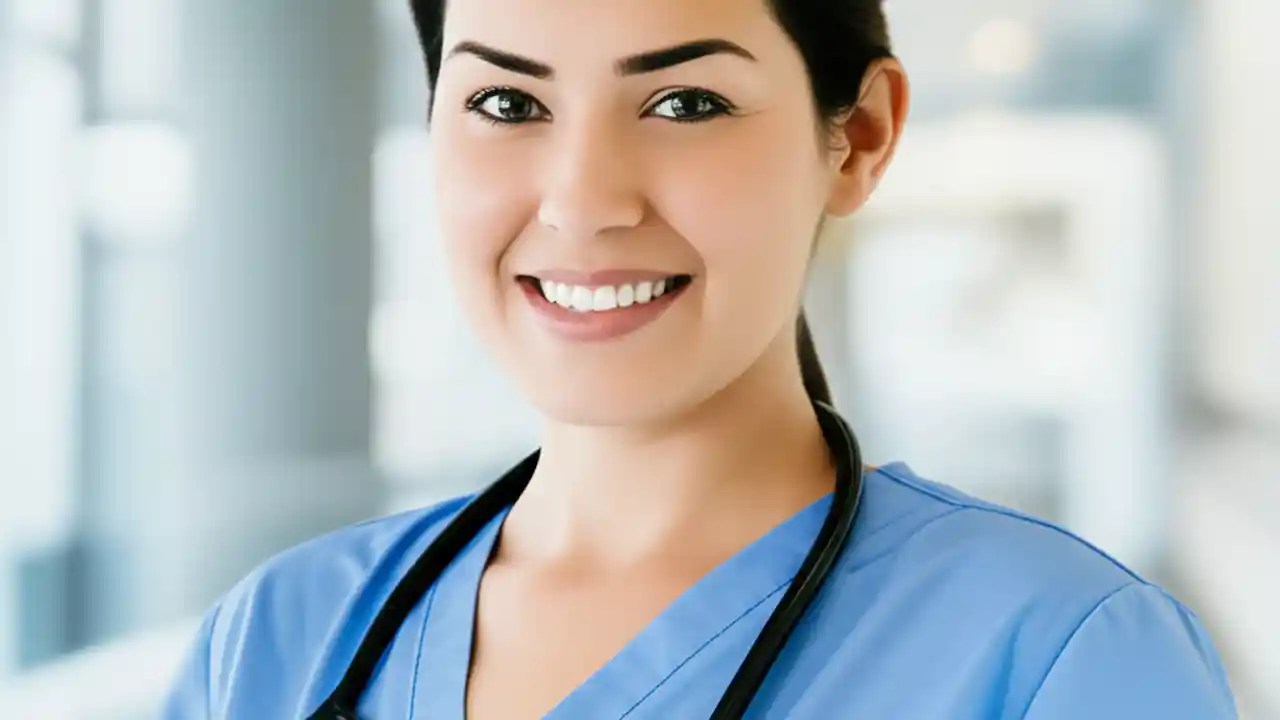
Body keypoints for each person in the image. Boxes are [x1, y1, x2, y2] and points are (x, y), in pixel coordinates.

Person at [161, 0, 1238, 718]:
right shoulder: (273, 644)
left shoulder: (1060, 656)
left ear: (857, 136)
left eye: (685, 103)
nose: (582, 203)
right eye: (506, 103)